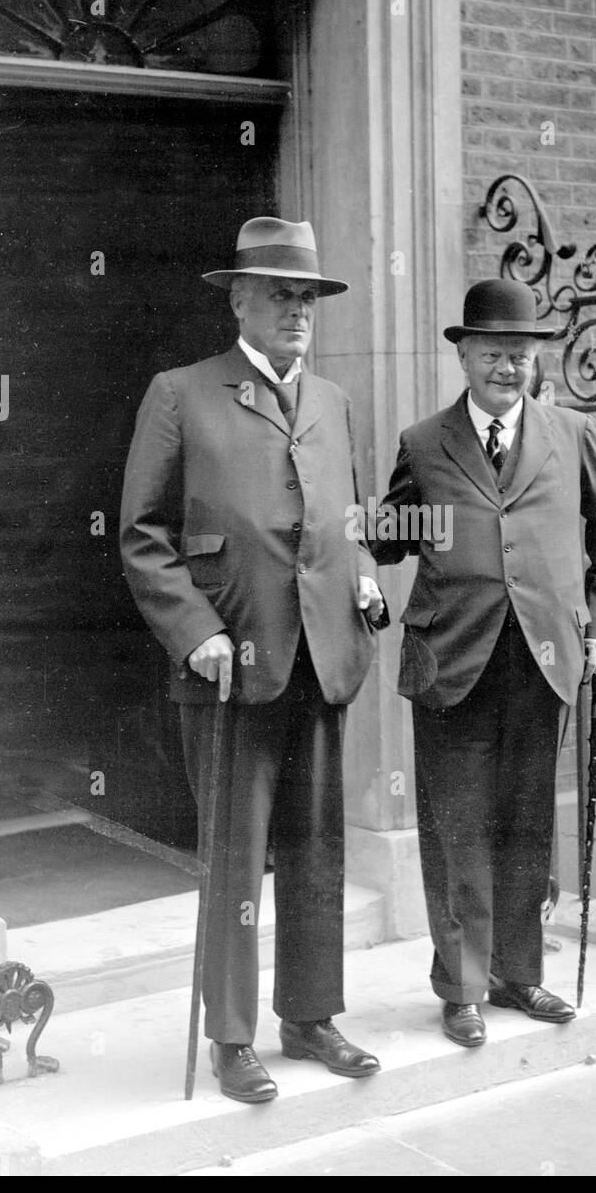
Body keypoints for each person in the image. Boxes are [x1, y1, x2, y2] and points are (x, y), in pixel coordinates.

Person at [120, 217, 385, 1102]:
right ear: (238, 300)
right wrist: (194, 631)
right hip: (228, 664)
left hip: (322, 657)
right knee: (233, 859)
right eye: (279, 295)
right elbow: (143, 535)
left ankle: (309, 1018)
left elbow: (350, 522)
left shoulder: (334, 401)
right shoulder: (181, 393)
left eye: (307, 298)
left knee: (316, 849)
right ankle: (231, 1038)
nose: (297, 311)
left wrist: (365, 575)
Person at [371, 278, 596, 1048]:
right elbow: (391, 536)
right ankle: (461, 986)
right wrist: (352, 529)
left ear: (534, 360)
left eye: (519, 354)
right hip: (451, 656)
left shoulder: (572, 434)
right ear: (465, 357)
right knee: (457, 826)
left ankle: (518, 975)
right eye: (492, 353)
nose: (507, 367)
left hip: (543, 658)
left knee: (525, 821)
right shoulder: (426, 442)